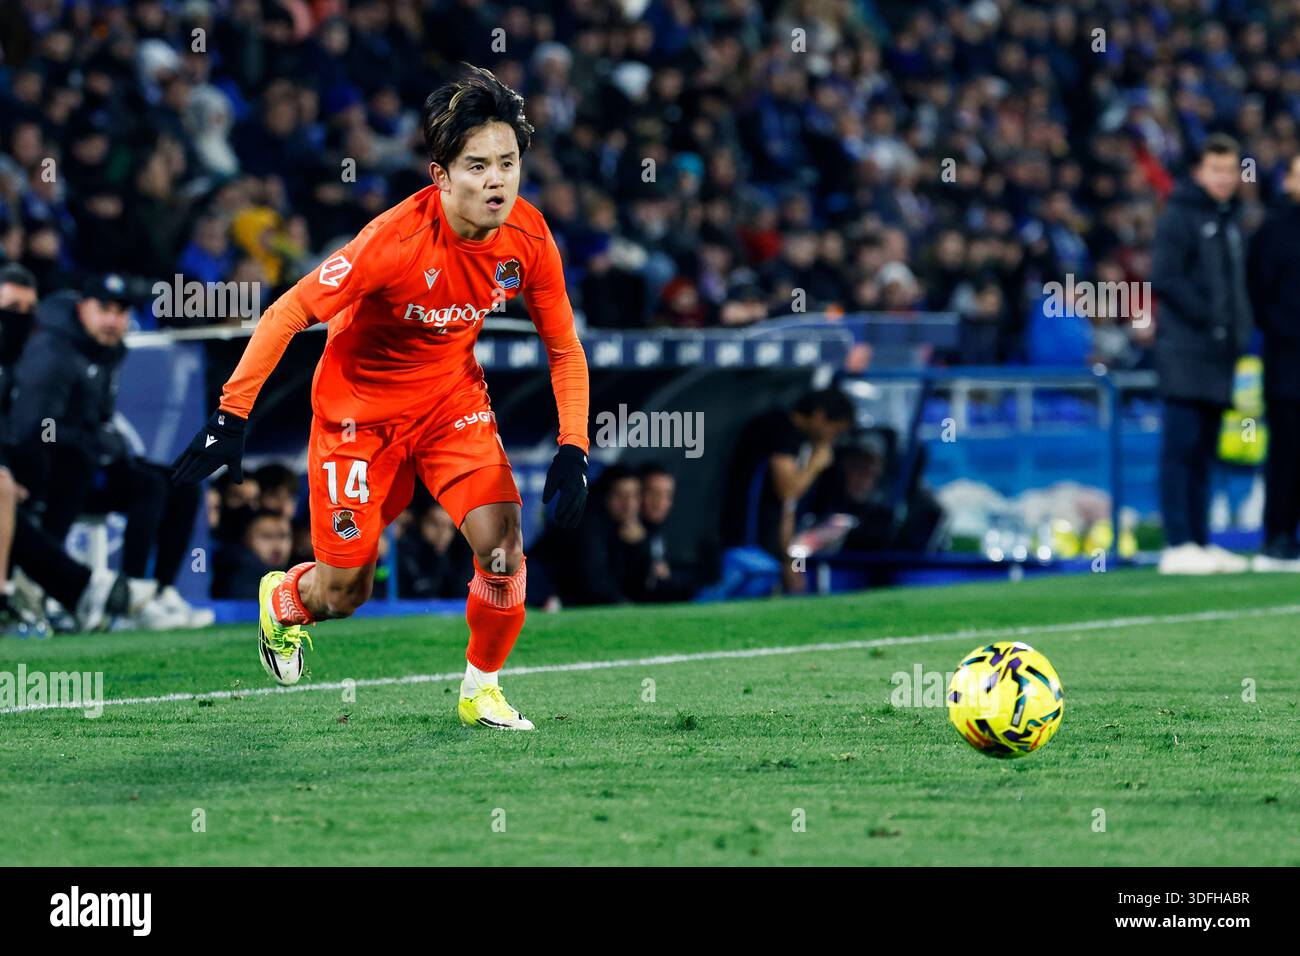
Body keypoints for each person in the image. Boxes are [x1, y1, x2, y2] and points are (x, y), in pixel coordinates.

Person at [171, 67, 590, 730]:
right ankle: (284, 601)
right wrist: (231, 414)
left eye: (507, 163)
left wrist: (574, 445)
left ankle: (481, 689)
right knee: (346, 591)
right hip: (355, 423)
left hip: (451, 405)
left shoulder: (531, 239)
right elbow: (287, 311)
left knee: (503, 544)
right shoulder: (392, 243)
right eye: (477, 165)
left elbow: (564, 348)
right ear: (441, 176)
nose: (496, 180)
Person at [6, 272, 211, 628]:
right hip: (50, 471)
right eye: (105, 309)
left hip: (86, 462)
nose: (113, 320)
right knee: (135, 483)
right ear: (83, 307)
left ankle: (158, 592)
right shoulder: (53, 351)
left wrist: (101, 440)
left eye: (121, 312)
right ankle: (127, 598)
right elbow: (37, 427)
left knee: (182, 482)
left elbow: (94, 421)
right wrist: (91, 441)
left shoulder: (106, 352)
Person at [0, 264, 130, 633]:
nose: (19, 320)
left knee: (62, 467)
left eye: (28, 311)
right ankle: (76, 589)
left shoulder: (16, 360)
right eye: (10, 309)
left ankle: (33, 596)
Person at [1150, 134, 1252, 575]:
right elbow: (1165, 278)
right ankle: (1177, 543)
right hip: (1185, 351)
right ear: (1199, 172)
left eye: (1230, 170)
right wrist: (1210, 321)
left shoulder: (1228, 219)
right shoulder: (1178, 217)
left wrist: (1233, 332)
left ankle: (1200, 540)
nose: (1225, 178)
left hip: (1217, 354)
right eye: (1216, 169)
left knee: (1205, 450)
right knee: (1181, 446)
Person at [722, 388, 855, 592]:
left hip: (770, 550)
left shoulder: (800, 444)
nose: (831, 440)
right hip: (746, 545)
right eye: (834, 431)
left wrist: (791, 564)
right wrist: (816, 464)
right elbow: (788, 490)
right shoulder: (779, 428)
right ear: (819, 415)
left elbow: (788, 509)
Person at [1248, 153, 1300, 570]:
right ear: (1288, 180)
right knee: (1285, 453)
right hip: (1287, 365)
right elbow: (1260, 296)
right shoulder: (1273, 230)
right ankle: (1278, 537)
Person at [548, 465, 650, 606]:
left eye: (634, 495)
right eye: (620, 495)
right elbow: (594, 583)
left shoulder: (633, 527)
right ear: (605, 497)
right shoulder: (586, 523)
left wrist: (638, 546)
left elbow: (639, 586)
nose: (629, 504)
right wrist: (624, 604)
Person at [637, 464, 697, 602]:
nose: (660, 502)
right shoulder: (624, 533)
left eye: (667, 495)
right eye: (653, 493)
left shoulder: (667, 531)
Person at [396, 501, 474, 599]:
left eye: (449, 527)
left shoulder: (460, 556)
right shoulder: (402, 555)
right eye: (435, 524)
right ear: (420, 523)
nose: (442, 534)